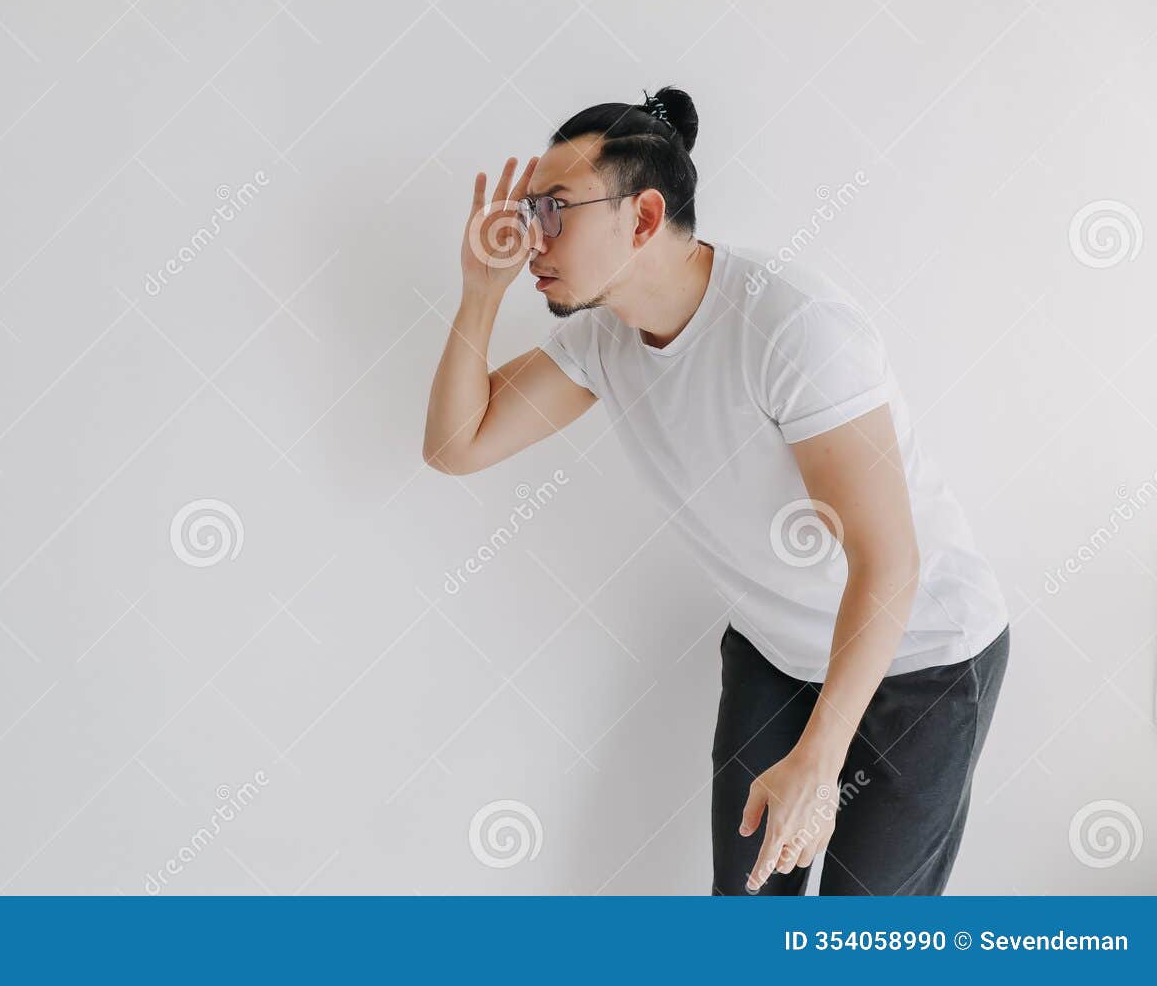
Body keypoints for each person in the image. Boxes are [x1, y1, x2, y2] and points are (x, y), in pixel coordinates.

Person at [420, 88, 1010, 895]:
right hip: (776, 648)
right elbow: (458, 445)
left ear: (641, 216)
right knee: (742, 919)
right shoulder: (603, 340)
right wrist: (480, 293)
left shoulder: (792, 328)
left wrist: (819, 761)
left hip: (919, 658)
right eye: (528, 212)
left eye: (554, 209)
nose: (531, 236)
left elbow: (888, 561)